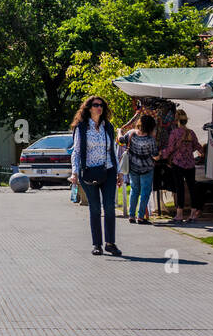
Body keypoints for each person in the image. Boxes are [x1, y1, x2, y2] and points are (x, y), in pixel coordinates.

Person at [67, 95, 122, 257]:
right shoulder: (81, 127)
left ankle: (110, 243)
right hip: (88, 172)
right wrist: (74, 172)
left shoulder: (108, 127)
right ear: (89, 108)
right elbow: (76, 152)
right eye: (96, 105)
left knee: (110, 207)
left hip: (108, 170)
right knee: (95, 208)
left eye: (101, 106)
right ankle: (97, 244)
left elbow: (112, 151)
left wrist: (119, 172)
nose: (99, 108)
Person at [162, 109, 205, 223]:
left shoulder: (174, 133)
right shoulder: (191, 133)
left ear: (176, 120)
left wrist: (160, 154)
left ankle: (179, 214)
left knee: (179, 188)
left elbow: (170, 148)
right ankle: (193, 214)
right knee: (192, 189)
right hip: (190, 163)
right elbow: (198, 147)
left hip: (178, 163)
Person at [119, 113, 158, 226]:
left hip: (133, 168)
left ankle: (131, 215)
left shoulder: (131, 134)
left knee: (134, 191)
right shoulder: (151, 140)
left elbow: (121, 140)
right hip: (147, 168)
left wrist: (119, 131)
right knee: (145, 193)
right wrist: (159, 155)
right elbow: (155, 156)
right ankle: (140, 216)